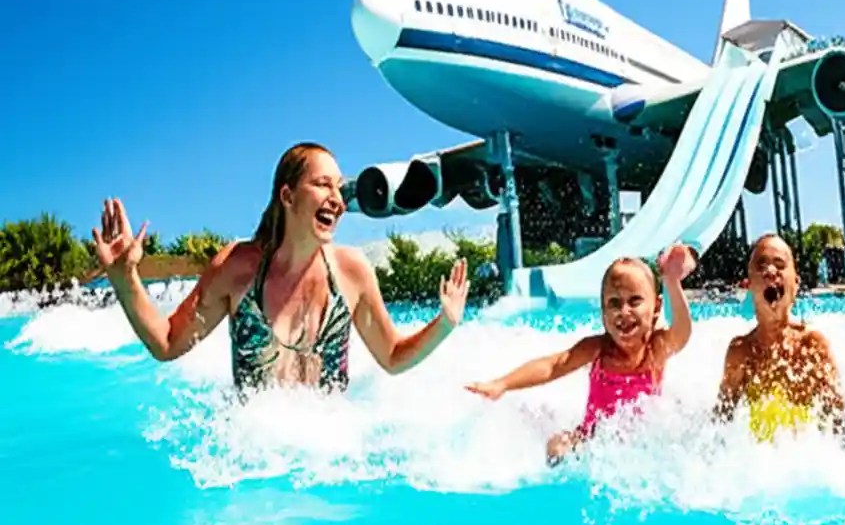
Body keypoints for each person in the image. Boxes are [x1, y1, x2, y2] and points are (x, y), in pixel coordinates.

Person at [92, 142, 470, 392]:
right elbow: (167, 343)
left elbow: (392, 357)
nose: (337, 199)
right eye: (322, 185)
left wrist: (445, 324)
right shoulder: (238, 268)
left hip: (327, 454)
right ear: (287, 196)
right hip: (253, 459)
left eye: (339, 187)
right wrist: (125, 279)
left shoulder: (351, 272)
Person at [465, 245, 695, 464]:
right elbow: (554, 365)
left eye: (635, 301)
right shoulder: (598, 349)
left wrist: (672, 282)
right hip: (594, 436)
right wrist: (502, 384)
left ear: (656, 307)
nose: (624, 311)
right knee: (557, 447)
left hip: (643, 439)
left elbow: (682, 332)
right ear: (603, 313)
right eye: (614, 303)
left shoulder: (656, 348)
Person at [714, 234, 845, 444]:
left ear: (796, 283)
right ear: (748, 285)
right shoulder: (741, 352)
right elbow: (719, 425)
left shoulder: (812, 347)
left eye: (779, 265)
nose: (770, 272)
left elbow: (841, 425)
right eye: (761, 266)